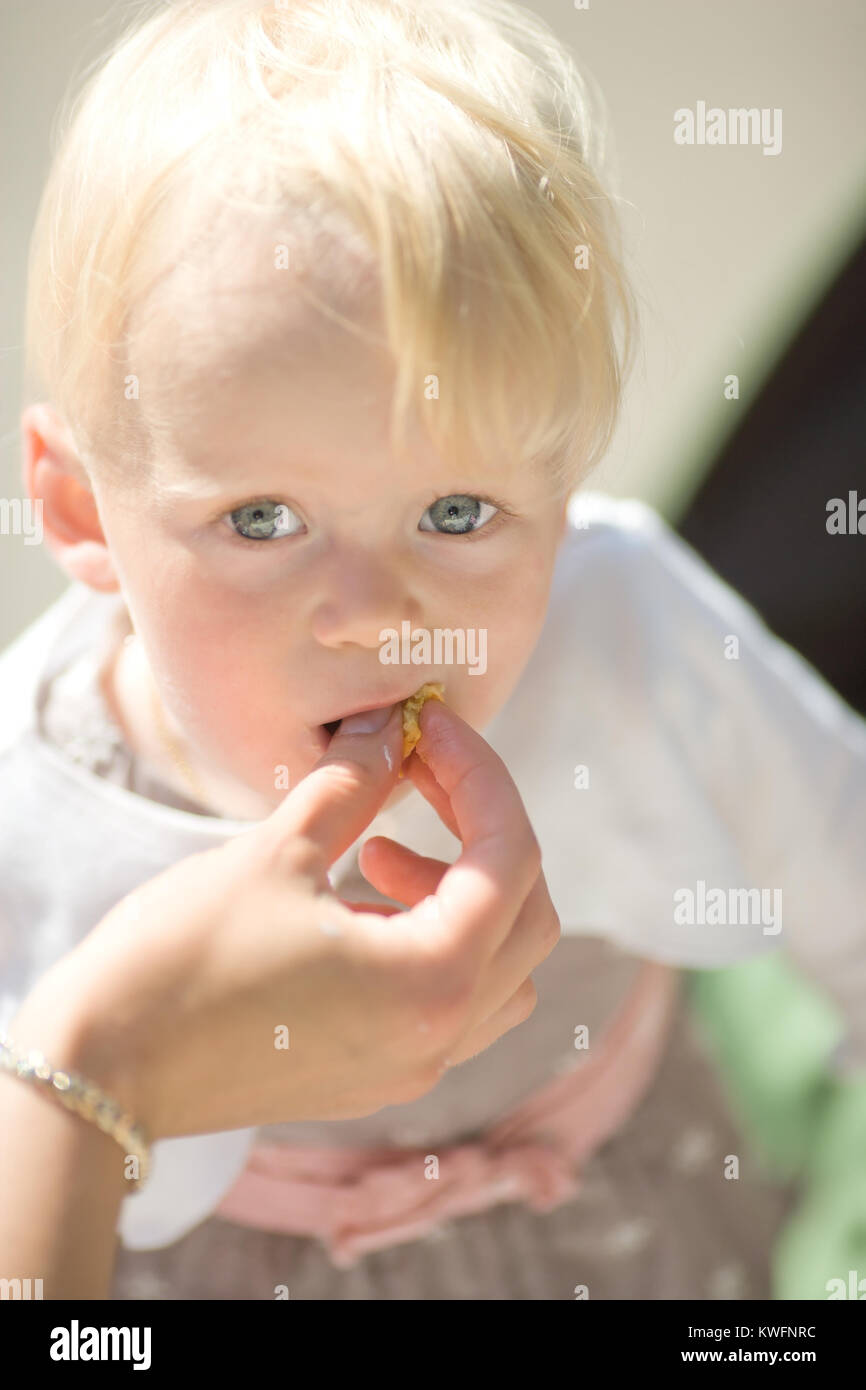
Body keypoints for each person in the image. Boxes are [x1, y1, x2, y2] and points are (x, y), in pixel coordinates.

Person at [2, 0, 864, 1300]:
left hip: (624, 1227)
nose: (379, 614)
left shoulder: (628, 635)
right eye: (260, 519)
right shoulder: (39, 803)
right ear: (79, 512)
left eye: (457, 512)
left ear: (564, 491)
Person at [0, 695, 557, 1298]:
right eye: (257, 588)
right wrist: (111, 1064)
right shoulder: (33, 806)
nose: (373, 619)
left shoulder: (615, 674)